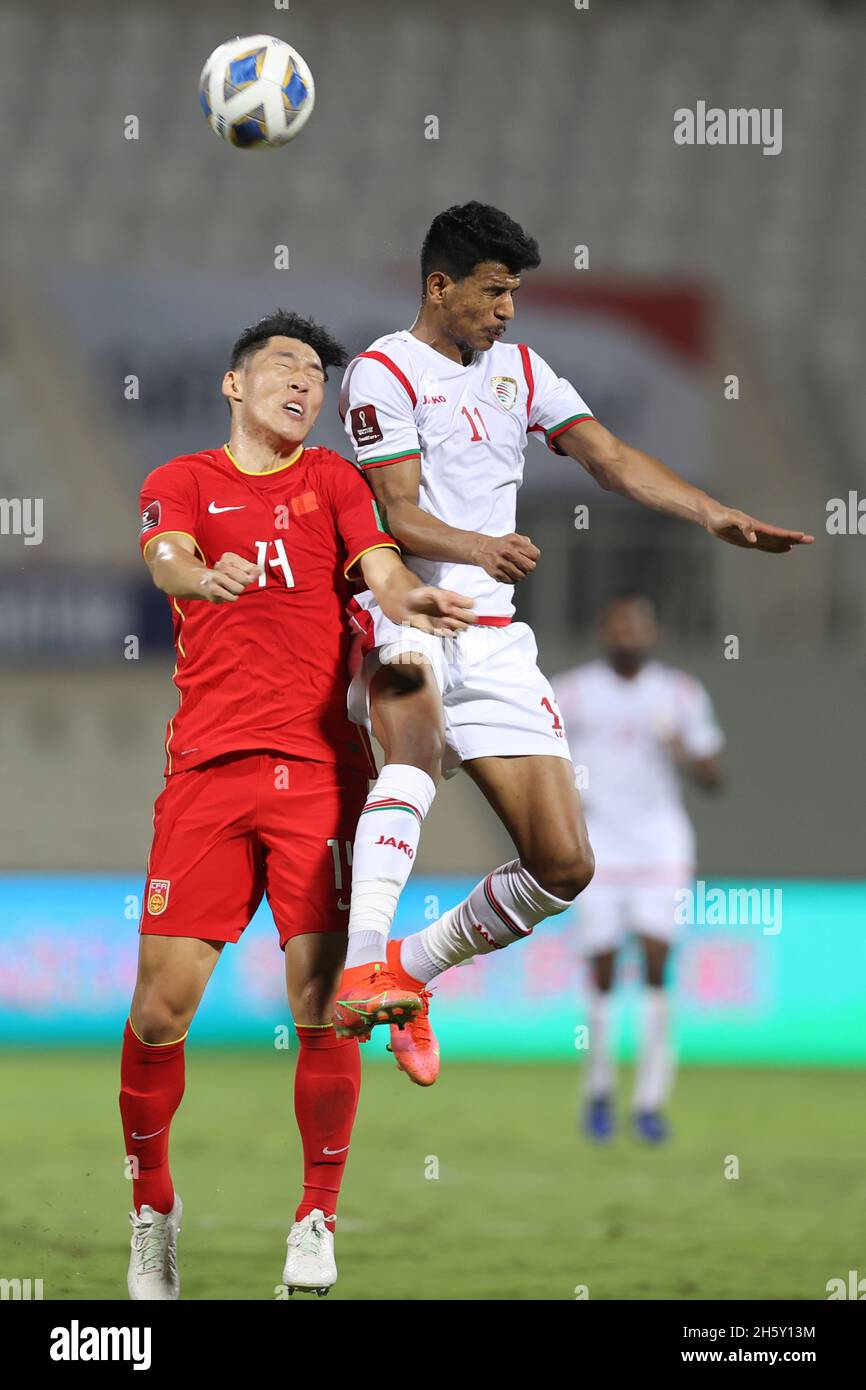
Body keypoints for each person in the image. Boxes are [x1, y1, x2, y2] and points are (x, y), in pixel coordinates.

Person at [332, 201, 811, 1088]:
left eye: (514, 292)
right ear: (440, 286)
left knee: (563, 865)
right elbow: (395, 511)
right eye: (494, 290)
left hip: (497, 637)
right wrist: (478, 548)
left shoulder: (520, 367)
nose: (509, 309)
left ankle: (408, 969)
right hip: (411, 607)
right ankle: (361, 960)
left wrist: (716, 514)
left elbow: (611, 457)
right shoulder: (382, 371)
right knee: (413, 753)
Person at [121, 309, 472, 1299]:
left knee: (320, 1008)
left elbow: (377, 565)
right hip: (206, 774)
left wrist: (413, 599)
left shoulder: (331, 483)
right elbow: (164, 561)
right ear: (235, 385)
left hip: (319, 777)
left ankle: (314, 1220)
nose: (305, 383)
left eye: (318, 375)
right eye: (285, 367)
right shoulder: (180, 482)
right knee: (159, 1009)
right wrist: (202, 575)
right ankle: (153, 1207)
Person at [552, 595, 724, 1142]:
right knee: (602, 968)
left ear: (654, 634)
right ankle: (599, 1090)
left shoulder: (678, 693)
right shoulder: (573, 691)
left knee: (655, 961)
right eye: (618, 625)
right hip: (597, 842)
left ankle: (650, 1102)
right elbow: (542, 758)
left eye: (637, 626)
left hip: (659, 844)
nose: (628, 634)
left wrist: (684, 749)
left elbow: (714, 777)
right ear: (604, 632)